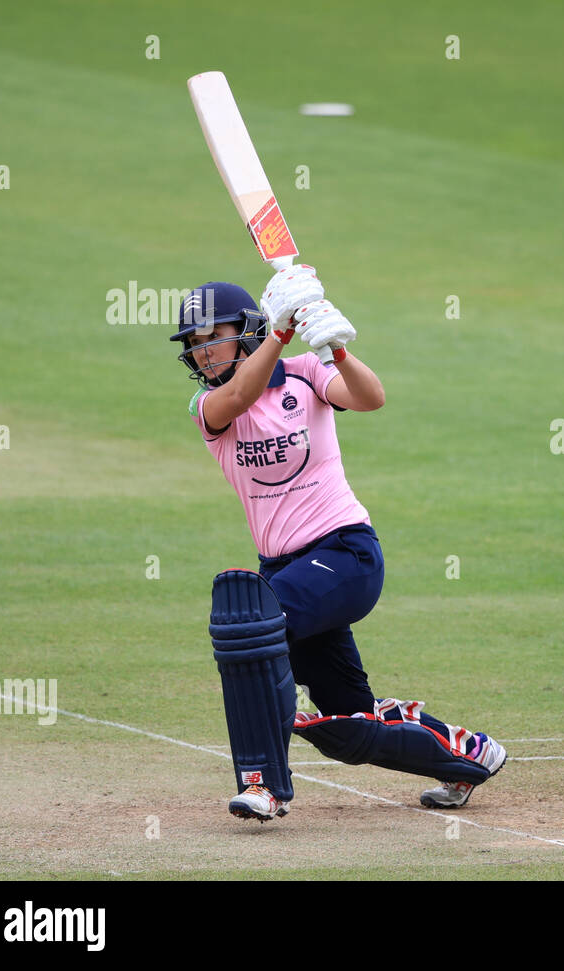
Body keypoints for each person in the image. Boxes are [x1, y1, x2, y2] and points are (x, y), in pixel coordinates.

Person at [170, 266, 506, 820]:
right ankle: (466, 756)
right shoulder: (207, 410)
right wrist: (280, 331)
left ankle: (263, 785)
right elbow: (240, 394)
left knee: (251, 623)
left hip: (346, 553)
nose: (204, 352)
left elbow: (371, 399)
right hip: (286, 571)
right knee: (348, 726)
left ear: (246, 330)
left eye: (215, 337)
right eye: (195, 344)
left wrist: (335, 349)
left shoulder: (305, 376)